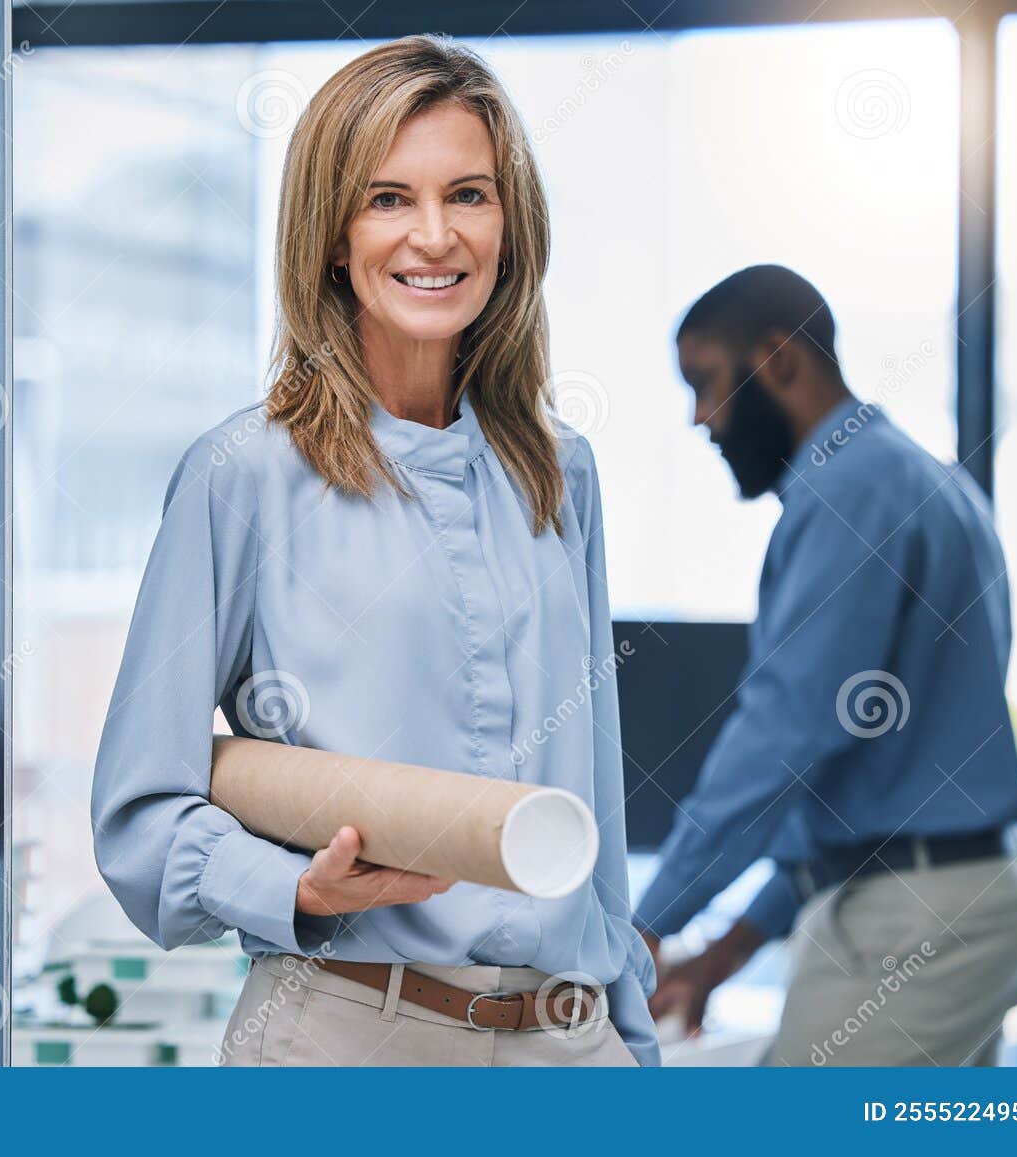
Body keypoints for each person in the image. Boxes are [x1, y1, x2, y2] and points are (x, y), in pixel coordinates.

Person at [91, 35, 657, 1067]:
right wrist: (291, 887)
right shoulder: (242, 475)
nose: (434, 235)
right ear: (330, 235)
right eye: (388, 198)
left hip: (566, 1042)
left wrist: (629, 1033)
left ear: (510, 224)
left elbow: (595, 797)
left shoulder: (559, 470)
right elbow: (141, 808)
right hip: (347, 1031)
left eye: (469, 195)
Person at [635, 265, 1017, 1066]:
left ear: (779, 357)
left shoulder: (847, 492)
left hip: (923, 911)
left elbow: (783, 739)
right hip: (962, 891)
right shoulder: (911, 473)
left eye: (707, 383)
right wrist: (722, 953)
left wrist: (640, 925)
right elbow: (856, 779)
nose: (701, 418)